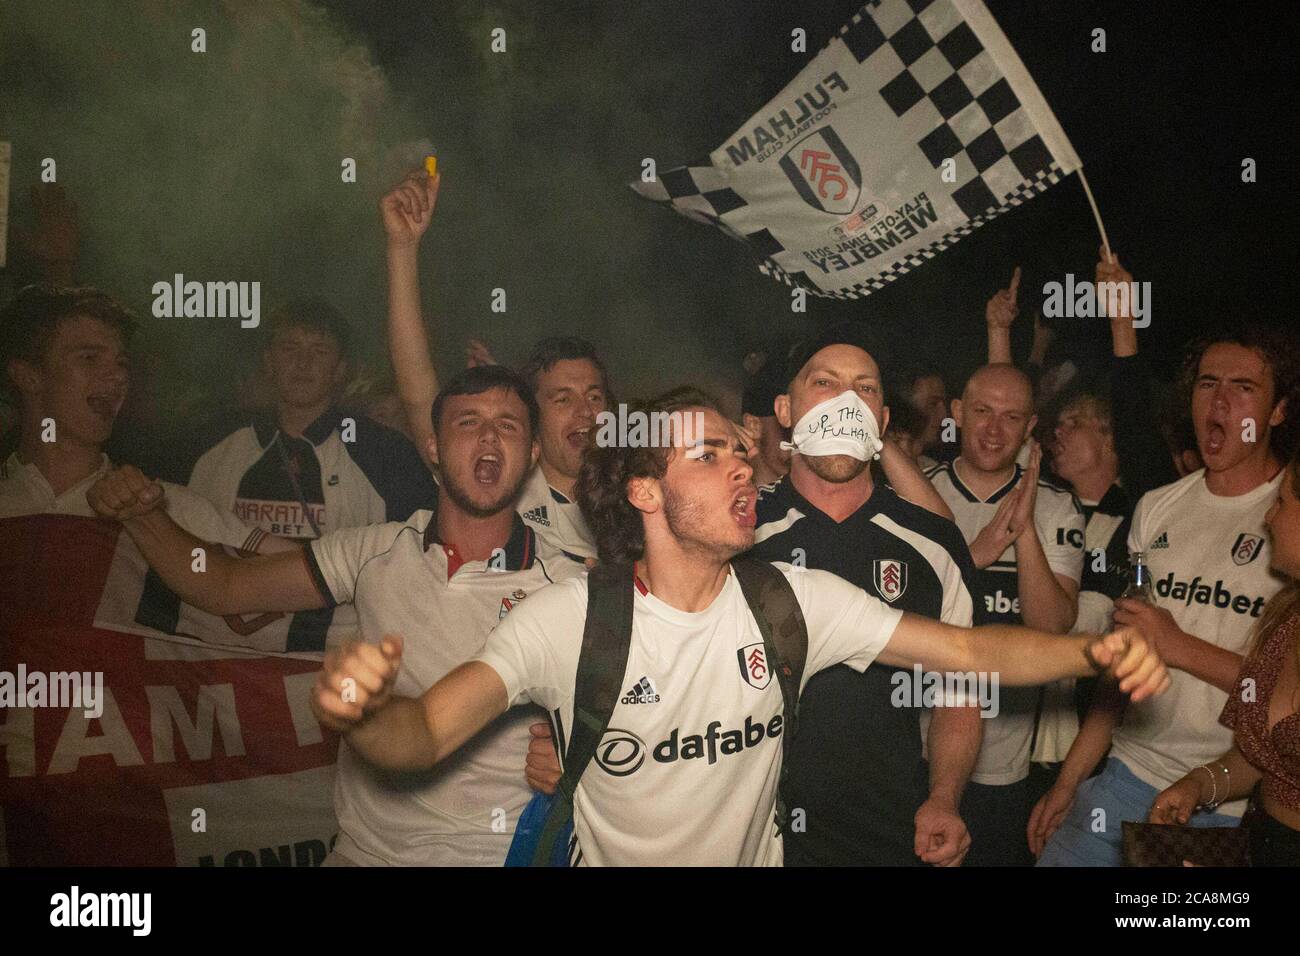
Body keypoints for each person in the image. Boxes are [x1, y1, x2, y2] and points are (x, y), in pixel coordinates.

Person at [307, 388, 1169, 866]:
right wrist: (363, 714)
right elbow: (421, 734)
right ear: (645, 493)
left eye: (740, 450)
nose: (743, 465)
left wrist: (1092, 650)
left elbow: (970, 649)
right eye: (708, 454)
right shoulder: (569, 620)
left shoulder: (791, 601)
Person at [87, 365, 578, 866]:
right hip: (362, 853)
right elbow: (223, 586)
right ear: (432, 447)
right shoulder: (376, 549)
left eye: (509, 425)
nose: (490, 435)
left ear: (533, 453)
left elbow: (636, 717)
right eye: (468, 422)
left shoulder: (565, 584)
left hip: (490, 856)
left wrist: (575, 755)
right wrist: (140, 514)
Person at [1033, 324, 1299, 866]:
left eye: (1243, 387)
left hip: (1225, 799)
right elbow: (1124, 663)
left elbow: (1283, 701)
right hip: (1124, 774)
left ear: (1277, 410)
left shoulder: (1292, 520)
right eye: (1207, 384)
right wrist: (1070, 779)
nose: (1219, 401)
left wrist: (1177, 645)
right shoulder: (1157, 506)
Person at [749, 329, 982, 866]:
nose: (846, 402)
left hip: (890, 831)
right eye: (824, 383)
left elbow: (962, 691)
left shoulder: (933, 544)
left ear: (881, 423)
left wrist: (944, 798)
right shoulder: (739, 534)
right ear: (786, 409)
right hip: (753, 831)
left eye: (866, 389)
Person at [381, 167, 606, 560]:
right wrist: (402, 250)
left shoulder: (638, 497)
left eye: (594, 397)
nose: (585, 413)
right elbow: (417, 389)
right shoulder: (498, 481)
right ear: (531, 425)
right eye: (563, 399)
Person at [925, 363, 1085, 865]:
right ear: (956, 412)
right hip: (913, 754)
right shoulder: (918, 493)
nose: (994, 431)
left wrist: (1026, 528)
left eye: (1011, 418)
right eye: (982, 412)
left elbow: (1053, 627)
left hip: (1005, 769)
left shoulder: (1057, 505)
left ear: (1030, 427)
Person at [1150, 449, 1300, 865]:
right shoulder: (1285, 620)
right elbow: (1265, 761)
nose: (1268, 518)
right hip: (1256, 842)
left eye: (1283, 502)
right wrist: (1200, 785)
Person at [188, 298, 434, 541]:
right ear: (269, 361)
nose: (303, 363)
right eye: (289, 349)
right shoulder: (214, 444)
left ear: (339, 369)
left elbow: (413, 553)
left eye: (319, 351)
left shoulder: (383, 454)